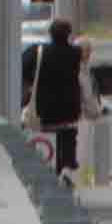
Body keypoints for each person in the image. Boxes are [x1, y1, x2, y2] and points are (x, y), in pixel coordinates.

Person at [33, 17, 86, 175]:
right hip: (70, 110)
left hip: (46, 110)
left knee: (49, 142)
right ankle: (67, 169)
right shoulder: (76, 54)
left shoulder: (40, 52)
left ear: (50, 34)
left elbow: (26, 73)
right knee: (68, 141)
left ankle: (51, 171)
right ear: (69, 34)